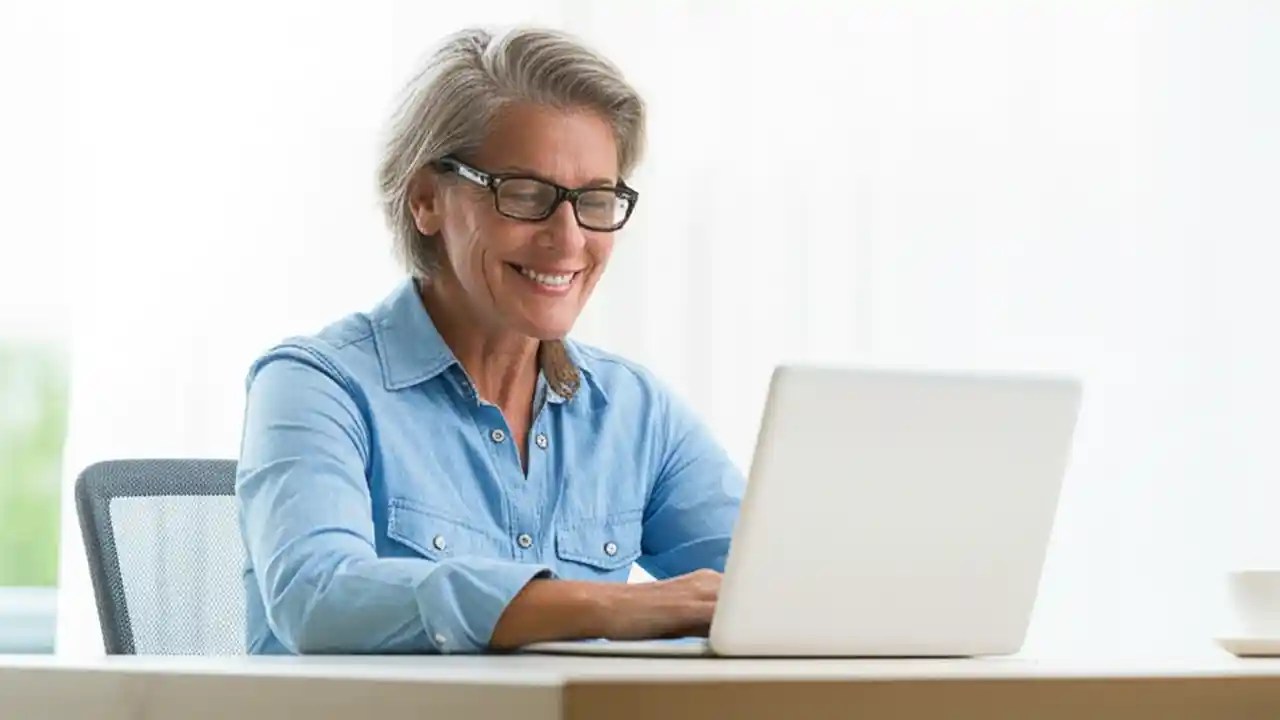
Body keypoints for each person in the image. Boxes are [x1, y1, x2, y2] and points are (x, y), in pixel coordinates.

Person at [235, 26, 744, 654]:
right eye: (526, 195)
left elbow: (776, 590)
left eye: (595, 200)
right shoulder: (313, 385)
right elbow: (318, 597)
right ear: (427, 200)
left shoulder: (635, 412)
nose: (569, 238)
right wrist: (610, 607)